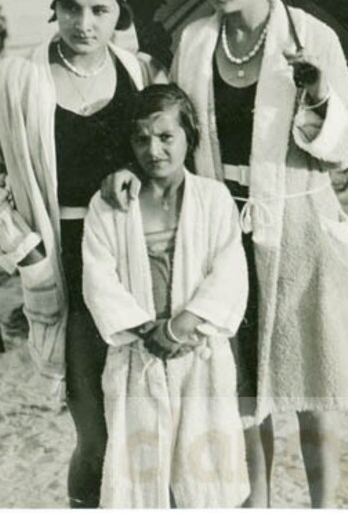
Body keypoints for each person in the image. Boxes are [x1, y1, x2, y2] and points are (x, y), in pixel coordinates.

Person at [102, 0, 348, 508]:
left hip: (301, 228)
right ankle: (259, 502)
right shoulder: (195, 40)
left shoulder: (311, 38)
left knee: (313, 380)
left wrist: (321, 94)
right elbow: (170, 132)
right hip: (223, 231)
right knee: (241, 386)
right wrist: (130, 167)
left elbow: (346, 149)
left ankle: (324, 504)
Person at [0, 0, 164, 508]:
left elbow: (168, 160)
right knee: (94, 434)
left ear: (118, 13)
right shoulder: (18, 78)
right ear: (54, 10)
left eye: (100, 10)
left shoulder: (139, 71)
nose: (85, 24)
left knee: (146, 421)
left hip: (135, 259)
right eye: (72, 9)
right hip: (67, 264)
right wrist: (28, 254)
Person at [81, 84, 250, 508]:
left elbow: (228, 273)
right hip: (138, 353)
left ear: (189, 137)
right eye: (141, 138)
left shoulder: (213, 199)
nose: (153, 150)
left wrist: (179, 327)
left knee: (206, 470)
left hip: (198, 350)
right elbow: (99, 279)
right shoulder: (110, 207)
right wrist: (146, 329)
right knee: (139, 472)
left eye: (165, 136)